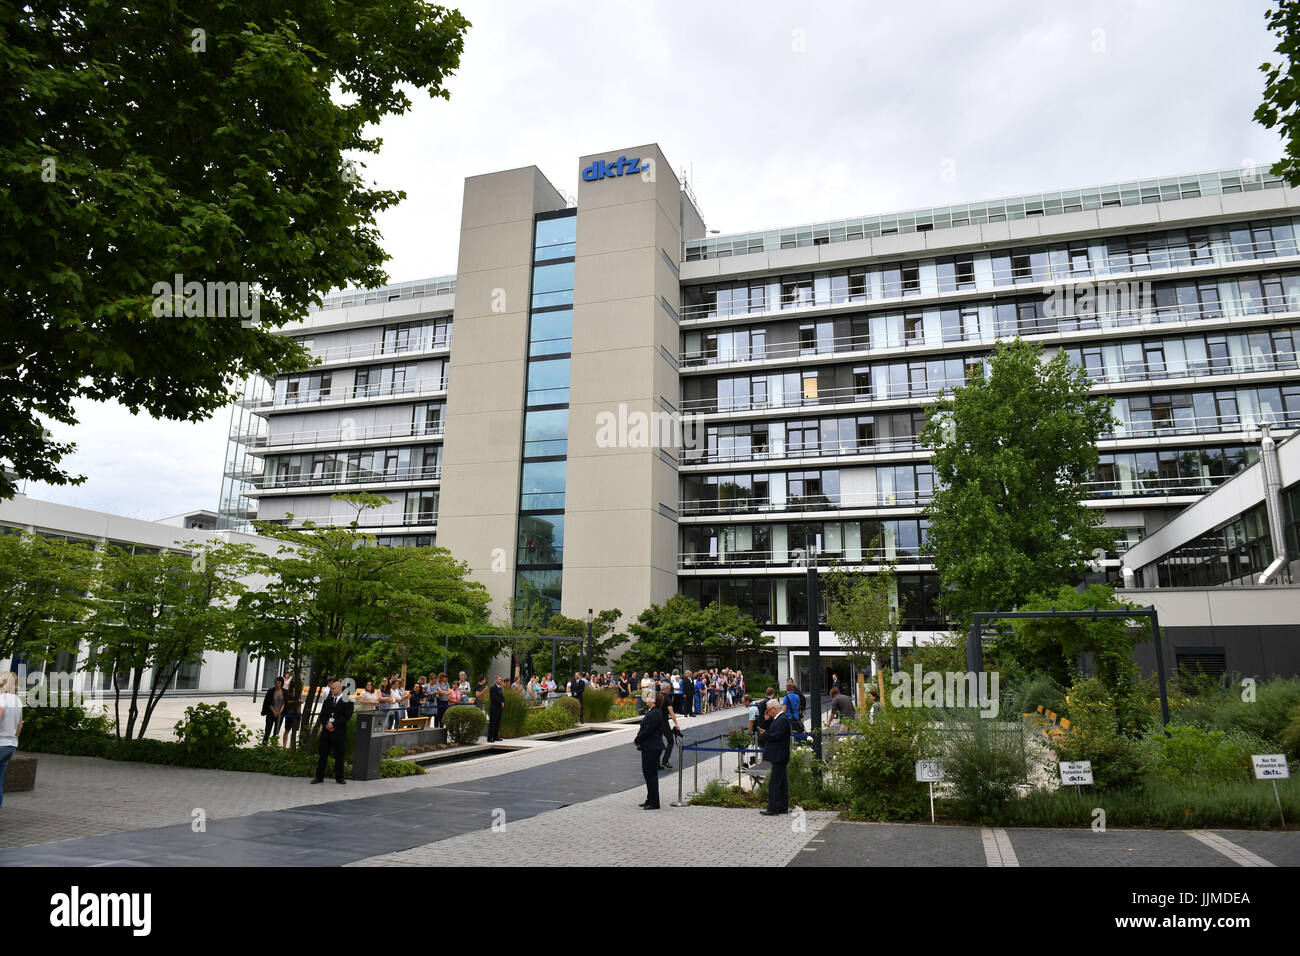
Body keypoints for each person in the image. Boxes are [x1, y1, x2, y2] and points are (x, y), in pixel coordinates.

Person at [312, 679, 354, 785]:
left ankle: (339, 777)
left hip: (338, 732)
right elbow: (322, 715)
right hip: (326, 732)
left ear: (340, 689)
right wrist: (327, 724)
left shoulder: (347, 702)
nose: (332, 690)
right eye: (331, 688)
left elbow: (346, 717)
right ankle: (319, 777)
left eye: (334, 688)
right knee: (323, 755)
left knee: (339, 755)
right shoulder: (328, 701)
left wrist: (334, 725)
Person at [634, 691, 667, 809]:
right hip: (649, 746)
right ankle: (650, 799)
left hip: (652, 747)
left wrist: (637, 740)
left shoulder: (656, 713)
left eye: (649, 697)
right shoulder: (653, 712)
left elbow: (648, 731)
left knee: (651, 774)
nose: (647, 698)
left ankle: (654, 802)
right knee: (649, 774)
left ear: (653, 700)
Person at [759, 698, 790, 815]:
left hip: (779, 755)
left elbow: (776, 736)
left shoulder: (782, 720)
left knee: (775, 782)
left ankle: (773, 808)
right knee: (781, 781)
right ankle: (782, 806)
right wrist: (766, 721)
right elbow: (772, 730)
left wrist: (765, 734)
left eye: (768, 710)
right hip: (779, 755)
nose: (768, 713)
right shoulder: (777, 719)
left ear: (774, 709)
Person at [0, 671, 22, 809]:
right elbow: (20, 724)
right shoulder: (17, 700)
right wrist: (14, 740)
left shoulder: (2, 698)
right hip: (10, 745)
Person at [660, 688, 683, 771]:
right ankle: (665, 760)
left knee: (658, 741)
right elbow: (671, 712)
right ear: (667, 689)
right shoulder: (667, 698)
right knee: (670, 741)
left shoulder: (656, 696)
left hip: (655, 721)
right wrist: (676, 724)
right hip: (664, 722)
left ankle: (656, 763)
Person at [260, 676, 286, 745]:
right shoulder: (270, 691)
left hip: (280, 715)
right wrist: (274, 712)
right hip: (271, 714)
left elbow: (284, 703)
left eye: (278, 682)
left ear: (281, 683)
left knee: (276, 732)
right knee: (267, 731)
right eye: (275, 682)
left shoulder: (285, 692)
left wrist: (279, 712)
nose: (276, 683)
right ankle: (264, 746)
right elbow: (268, 703)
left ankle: (273, 746)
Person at [280, 673, 302, 748]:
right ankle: (284, 746)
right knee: (287, 729)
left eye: (297, 680)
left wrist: (300, 701)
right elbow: (286, 701)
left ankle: (291, 747)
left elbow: (299, 700)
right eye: (294, 679)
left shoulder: (299, 690)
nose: (296, 681)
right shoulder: (288, 690)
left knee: (295, 730)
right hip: (290, 712)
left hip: (298, 712)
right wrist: (295, 701)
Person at [487, 676, 505, 742]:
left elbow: (502, 697)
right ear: (495, 680)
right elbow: (493, 698)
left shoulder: (500, 688)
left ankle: (495, 736)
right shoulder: (493, 688)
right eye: (499, 679)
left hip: (499, 708)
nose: (500, 680)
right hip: (494, 708)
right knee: (492, 723)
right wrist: (500, 703)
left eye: (501, 679)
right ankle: (490, 737)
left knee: (498, 723)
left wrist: (503, 702)